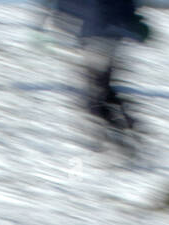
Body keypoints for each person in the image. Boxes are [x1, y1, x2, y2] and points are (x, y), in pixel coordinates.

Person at [49, 0, 150, 154]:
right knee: (102, 90)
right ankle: (128, 132)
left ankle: (121, 137)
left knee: (96, 95)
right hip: (98, 35)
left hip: (100, 37)